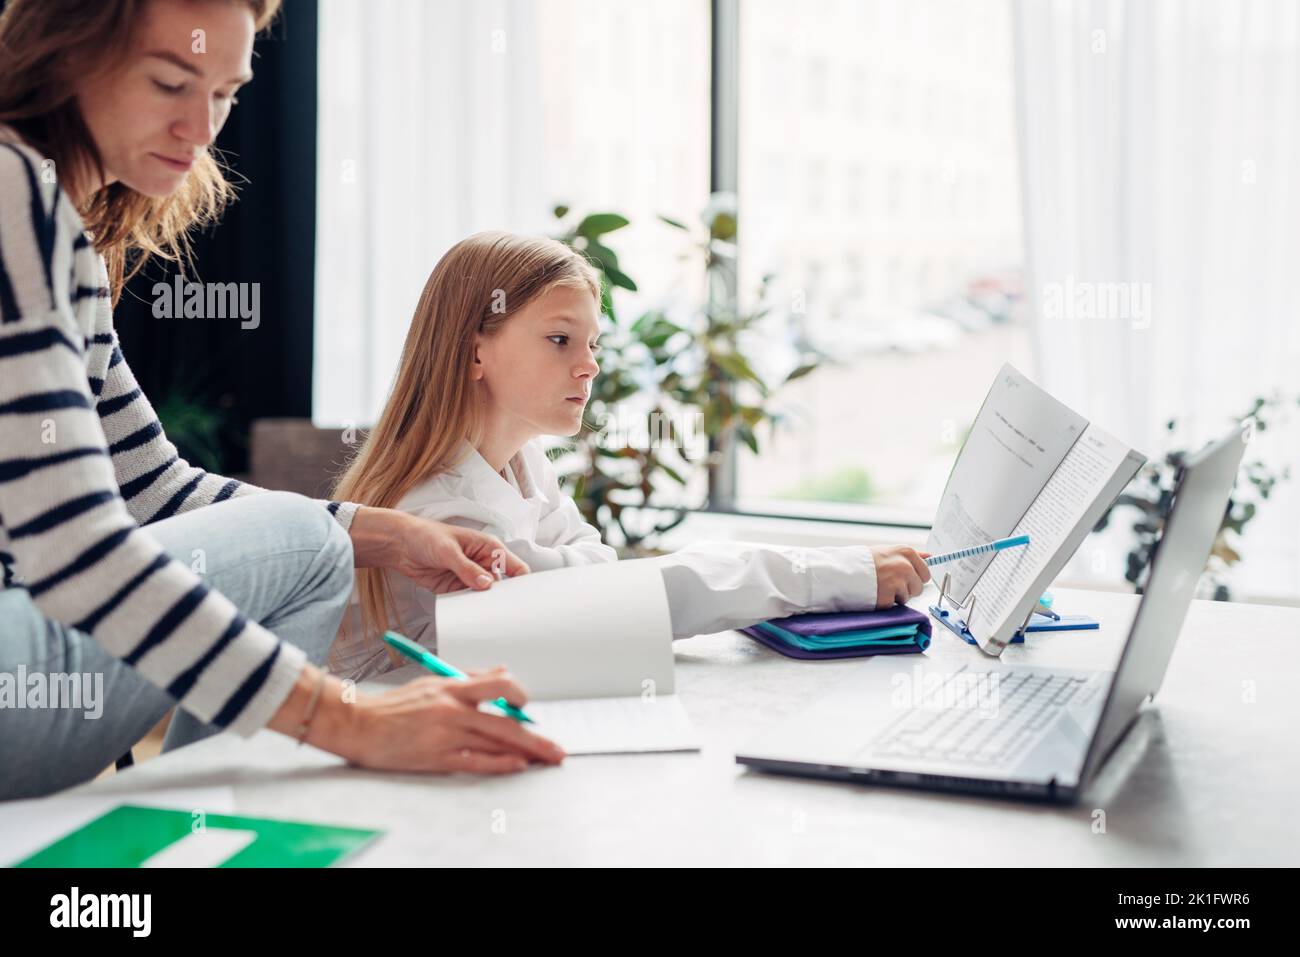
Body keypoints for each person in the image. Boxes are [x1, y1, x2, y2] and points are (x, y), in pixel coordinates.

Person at [0, 0, 565, 802]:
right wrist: (355, 720)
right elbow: (77, 550)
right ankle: (206, 819)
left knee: (313, 536)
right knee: (306, 540)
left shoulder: (64, 237)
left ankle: (198, 820)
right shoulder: (13, 187)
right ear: (64, 53)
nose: (201, 129)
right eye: (170, 82)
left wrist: (390, 535)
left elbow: (152, 490)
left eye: (226, 92)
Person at [328, 231, 931, 680]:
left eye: (592, 344)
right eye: (559, 340)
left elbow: (598, 562)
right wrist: (821, 575)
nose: (589, 365)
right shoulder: (439, 511)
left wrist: (590, 576)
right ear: (473, 352)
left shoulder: (522, 461)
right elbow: (614, 595)